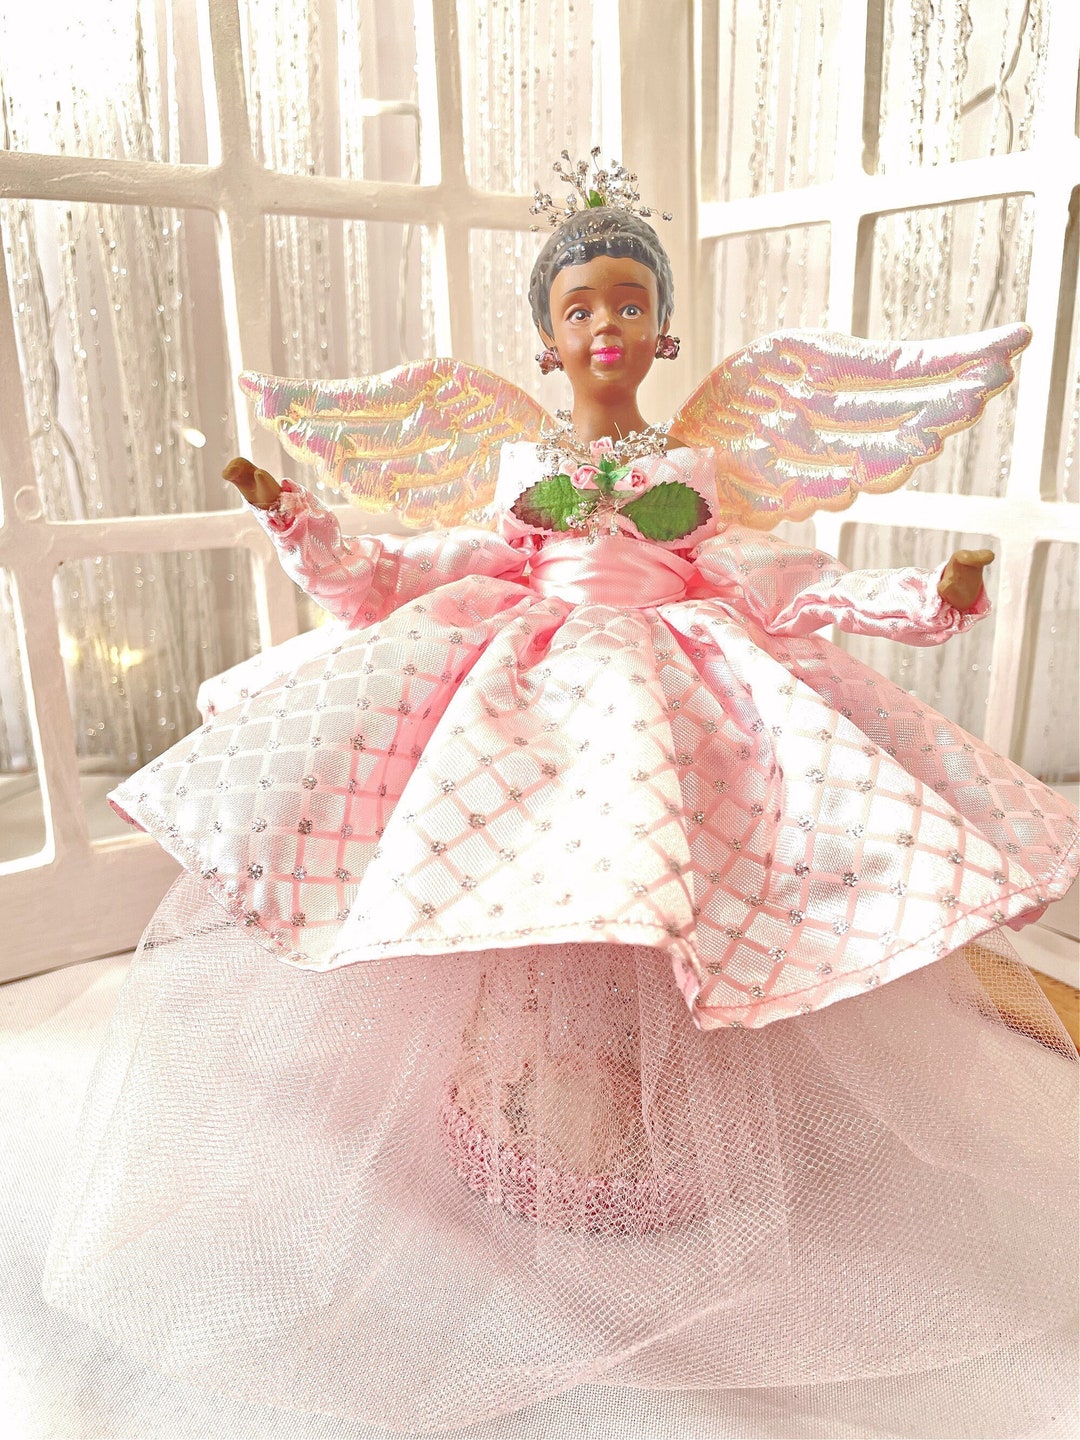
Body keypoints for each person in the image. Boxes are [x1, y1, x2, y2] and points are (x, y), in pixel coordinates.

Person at [42, 156, 1078, 1436]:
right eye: (581, 308)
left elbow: (785, 591)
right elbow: (393, 576)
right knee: (518, 855)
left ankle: (666, 1116)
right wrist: (299, 523)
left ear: (665, 329)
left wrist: (933, 598)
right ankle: (531, 1101)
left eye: (629, 303)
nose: (607, 327)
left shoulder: (697, 472)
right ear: (546, 338)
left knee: (695, 856)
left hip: (679, 669)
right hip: (529, 677)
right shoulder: (519, 474)